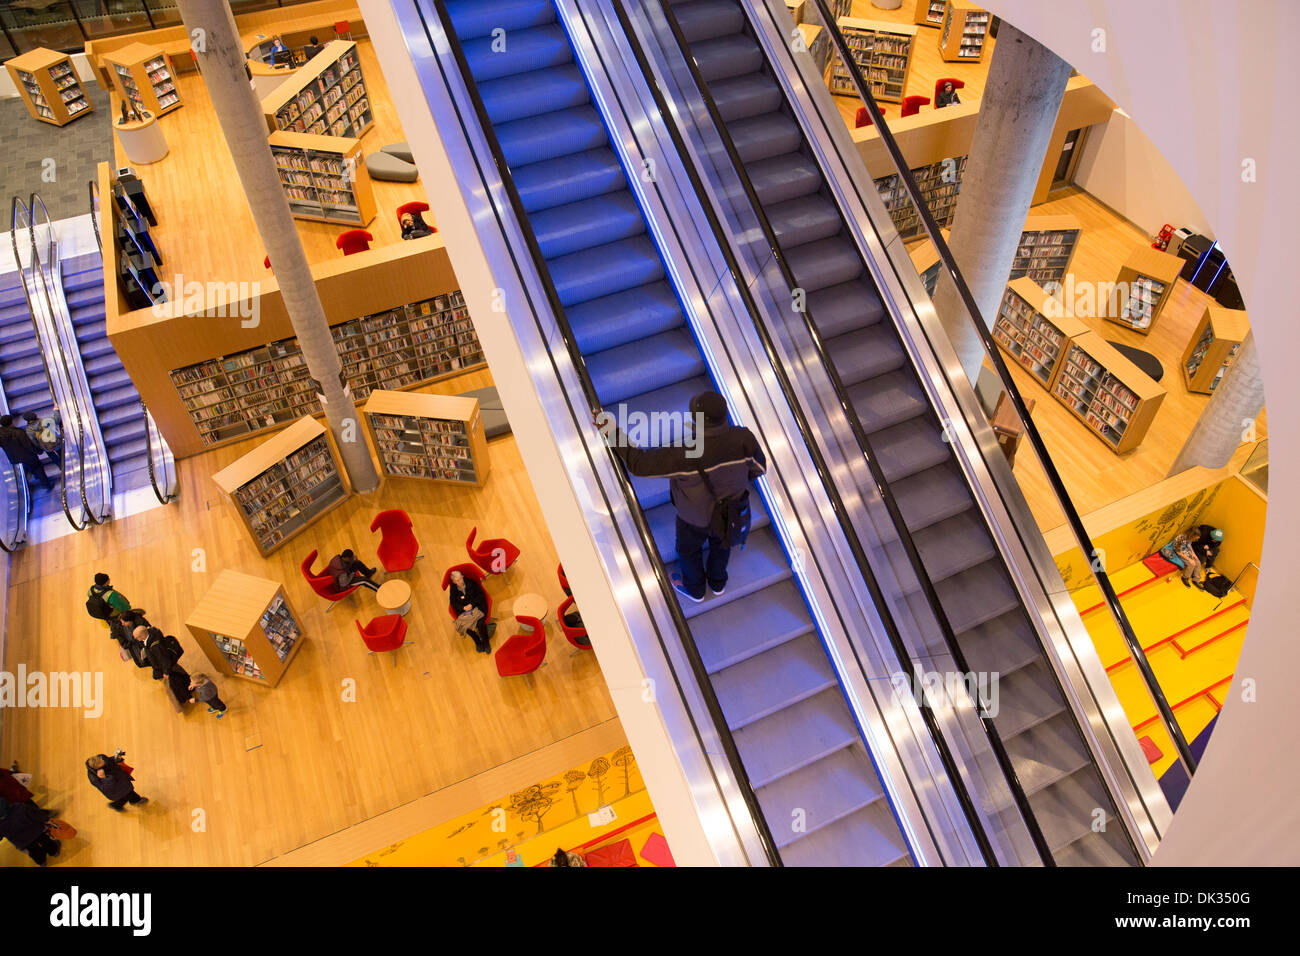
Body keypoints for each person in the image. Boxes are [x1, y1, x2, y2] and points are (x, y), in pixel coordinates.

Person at [600, 390, 766, 603]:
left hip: (693, 519)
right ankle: (717, 583)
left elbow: (638, 464)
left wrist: (611, 430)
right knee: (722, 544)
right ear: (725, 415)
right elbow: (759, 468)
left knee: (688, 550)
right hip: (731, 512)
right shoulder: (744, 438)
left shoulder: (685, 453)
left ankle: (696, 590)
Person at [0, 796, 61, 865]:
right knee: (45, 840)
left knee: (33, 850)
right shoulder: (20, 807)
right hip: (36, 831)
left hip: (22, 841)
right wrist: (46, 819)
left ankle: (41, 861)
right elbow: (36, 814)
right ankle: (54, 851)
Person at [0, 414, 53, 491]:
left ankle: (36, 475)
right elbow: (28, 445)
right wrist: (38, 451)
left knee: (29, 466)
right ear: (11, 422)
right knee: (38, 468)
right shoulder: (18, 432)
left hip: (15, 457)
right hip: (28, 455)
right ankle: (46, 485)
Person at [447, 568, 493, 653]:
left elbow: (481, 595)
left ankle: (486, 643)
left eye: (460, 578)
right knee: (466, 626)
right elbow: (453, 603)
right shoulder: (453, 589)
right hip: (465, 612)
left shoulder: (471, 583)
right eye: (457, 580)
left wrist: (472, 604)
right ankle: (477, 642)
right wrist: (463, 608)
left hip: (477, 608)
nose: (460, 581)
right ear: (454, 582)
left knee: (480, 623)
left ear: (462, 576)